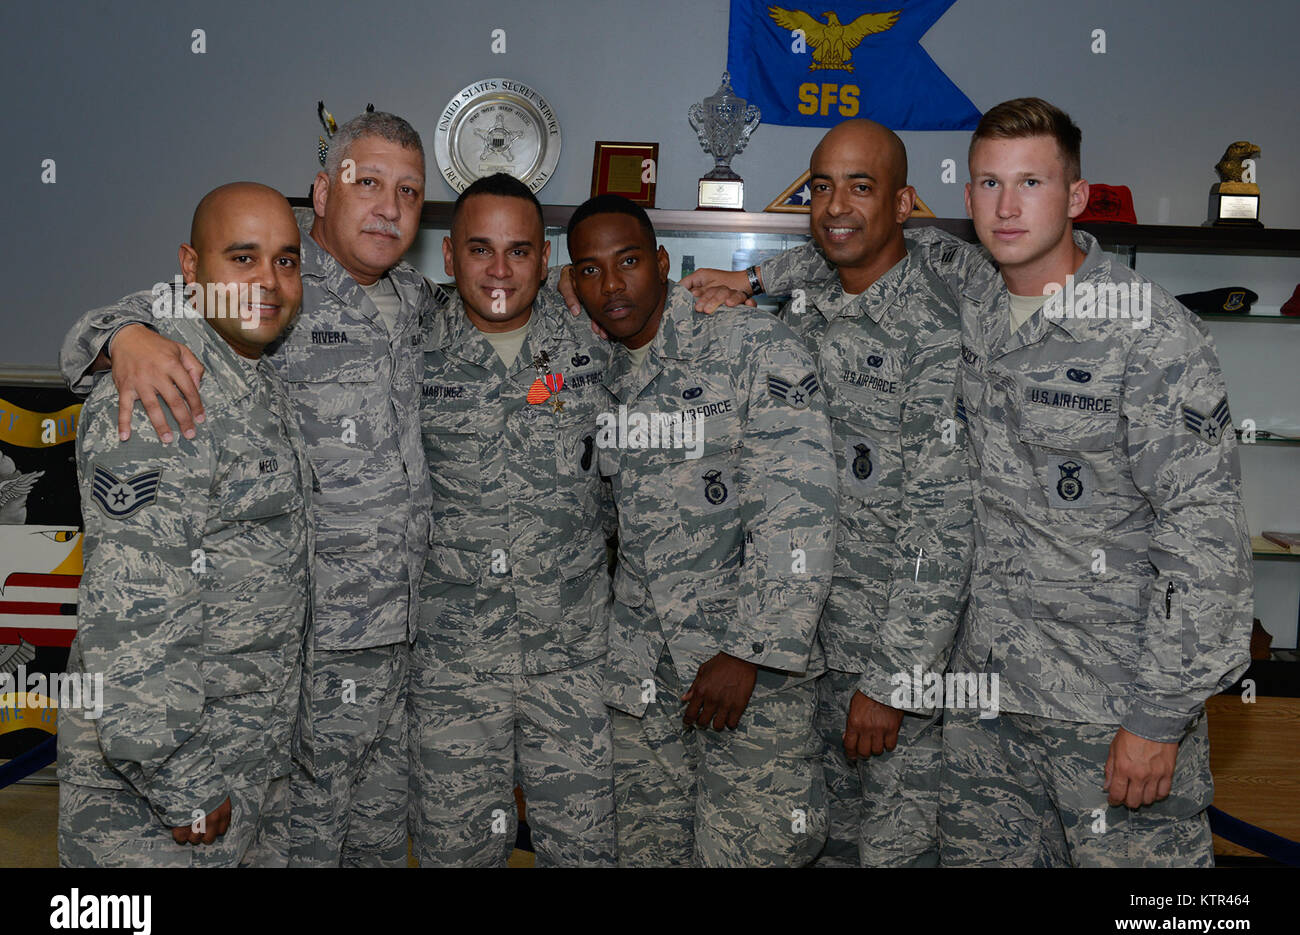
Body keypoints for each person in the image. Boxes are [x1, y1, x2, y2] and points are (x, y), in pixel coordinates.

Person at [701, 98, 1253, 867]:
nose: (1008, 206)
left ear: (1078, 196)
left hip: (1108, 708)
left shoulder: (1149, 332)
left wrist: (1159, 719)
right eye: (989, 185)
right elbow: (854, 244)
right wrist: (749, 276)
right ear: (965, 201)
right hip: (984, 704)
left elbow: (1205, 540)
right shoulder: (972, 292)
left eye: (1031, 183)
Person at [59, 111, 440, 867]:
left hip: (331, 669)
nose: (389, 206)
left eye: (409, 190)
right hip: (244, 695)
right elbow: (133, 618)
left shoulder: (419, 305)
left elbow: (513, 293)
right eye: (367, 183)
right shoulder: (188, 365)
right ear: (323, 191)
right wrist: (118, 336)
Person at [566, 194, 837, 866]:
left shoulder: (749, 343)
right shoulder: (595, 372)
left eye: (628, 261)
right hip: (641, 680)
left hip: (748, 679)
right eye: (591, 271)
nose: (613, 284)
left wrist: (749, 650)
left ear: (662, 263)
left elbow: (799, 507)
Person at [58, 182, 312, 866]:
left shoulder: (253, 379)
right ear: (191, 268)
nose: (268, 281)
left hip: (241, 763)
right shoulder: (158, 394)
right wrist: (185, 787)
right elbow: (132, 624)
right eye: (243, 257)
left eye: (285, 261)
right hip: (156, 808)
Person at [771, 119, 972, 866]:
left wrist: (892, 684)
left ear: (904, 203)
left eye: (861, 186)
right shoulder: (807, 298)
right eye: (821, 186)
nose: (836, 205)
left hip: (894, 670)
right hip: (804, 659)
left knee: (898, 855)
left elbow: (942, 522)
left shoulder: (934, 327)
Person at [410, 173, 616, 866]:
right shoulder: (404, 344)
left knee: (586, 854)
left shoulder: (593, 340)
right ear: (446, 257)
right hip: (452, 671)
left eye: (519, 251)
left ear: (546, 259)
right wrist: (127, 333)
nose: (500, 270)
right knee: (454, 857)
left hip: (574, 666)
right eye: (480, 249)